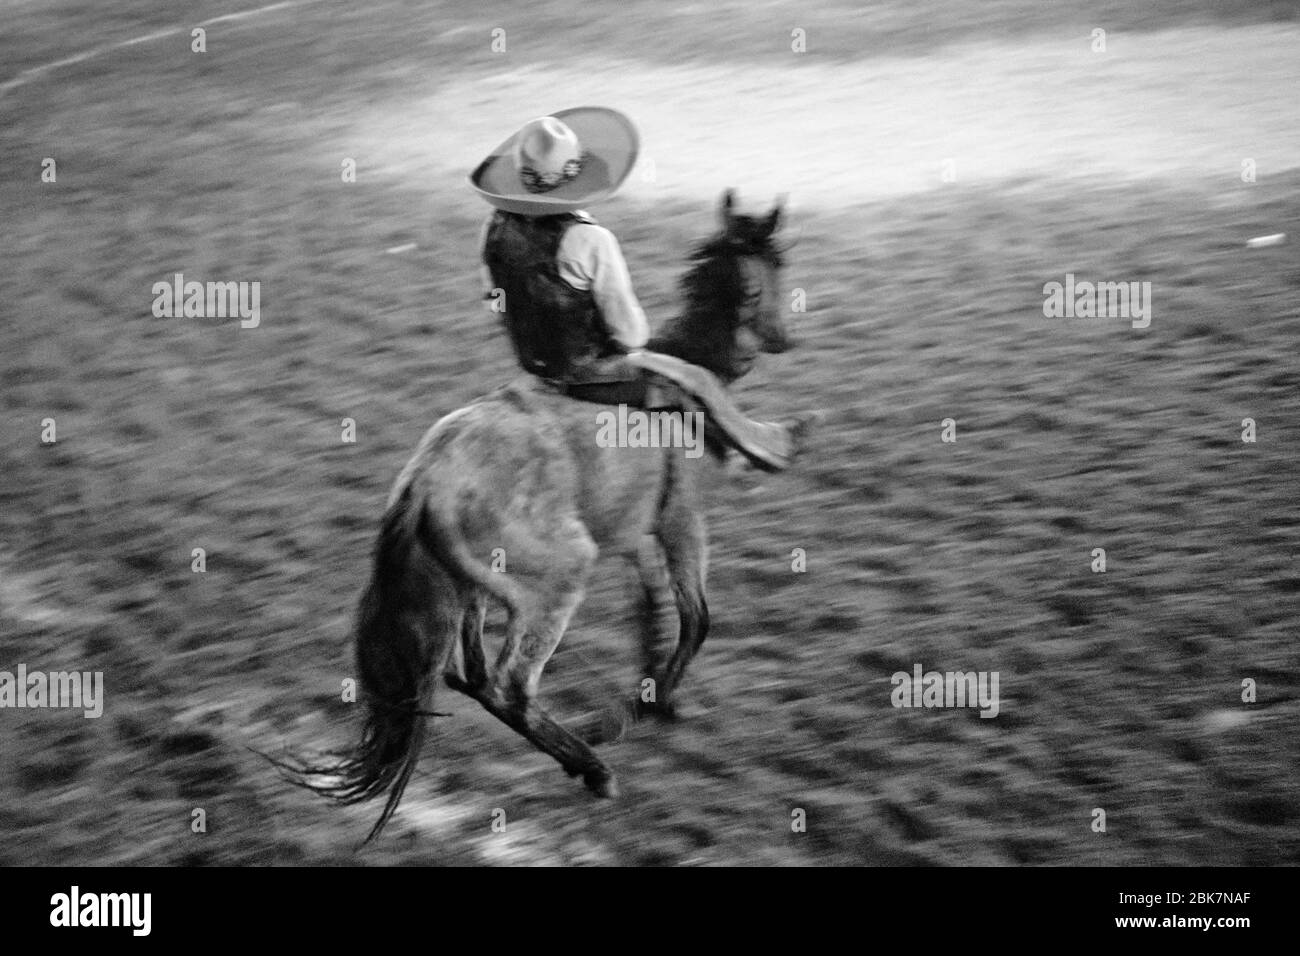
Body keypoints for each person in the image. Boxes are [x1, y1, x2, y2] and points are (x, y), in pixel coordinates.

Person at [468, 107, 808, 471]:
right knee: (696, 381)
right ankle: (758, 450)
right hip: (590, 373)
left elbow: (497, 303)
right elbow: (631, 335)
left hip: (533, 367)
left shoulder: (493, 227)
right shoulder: (591, 240)